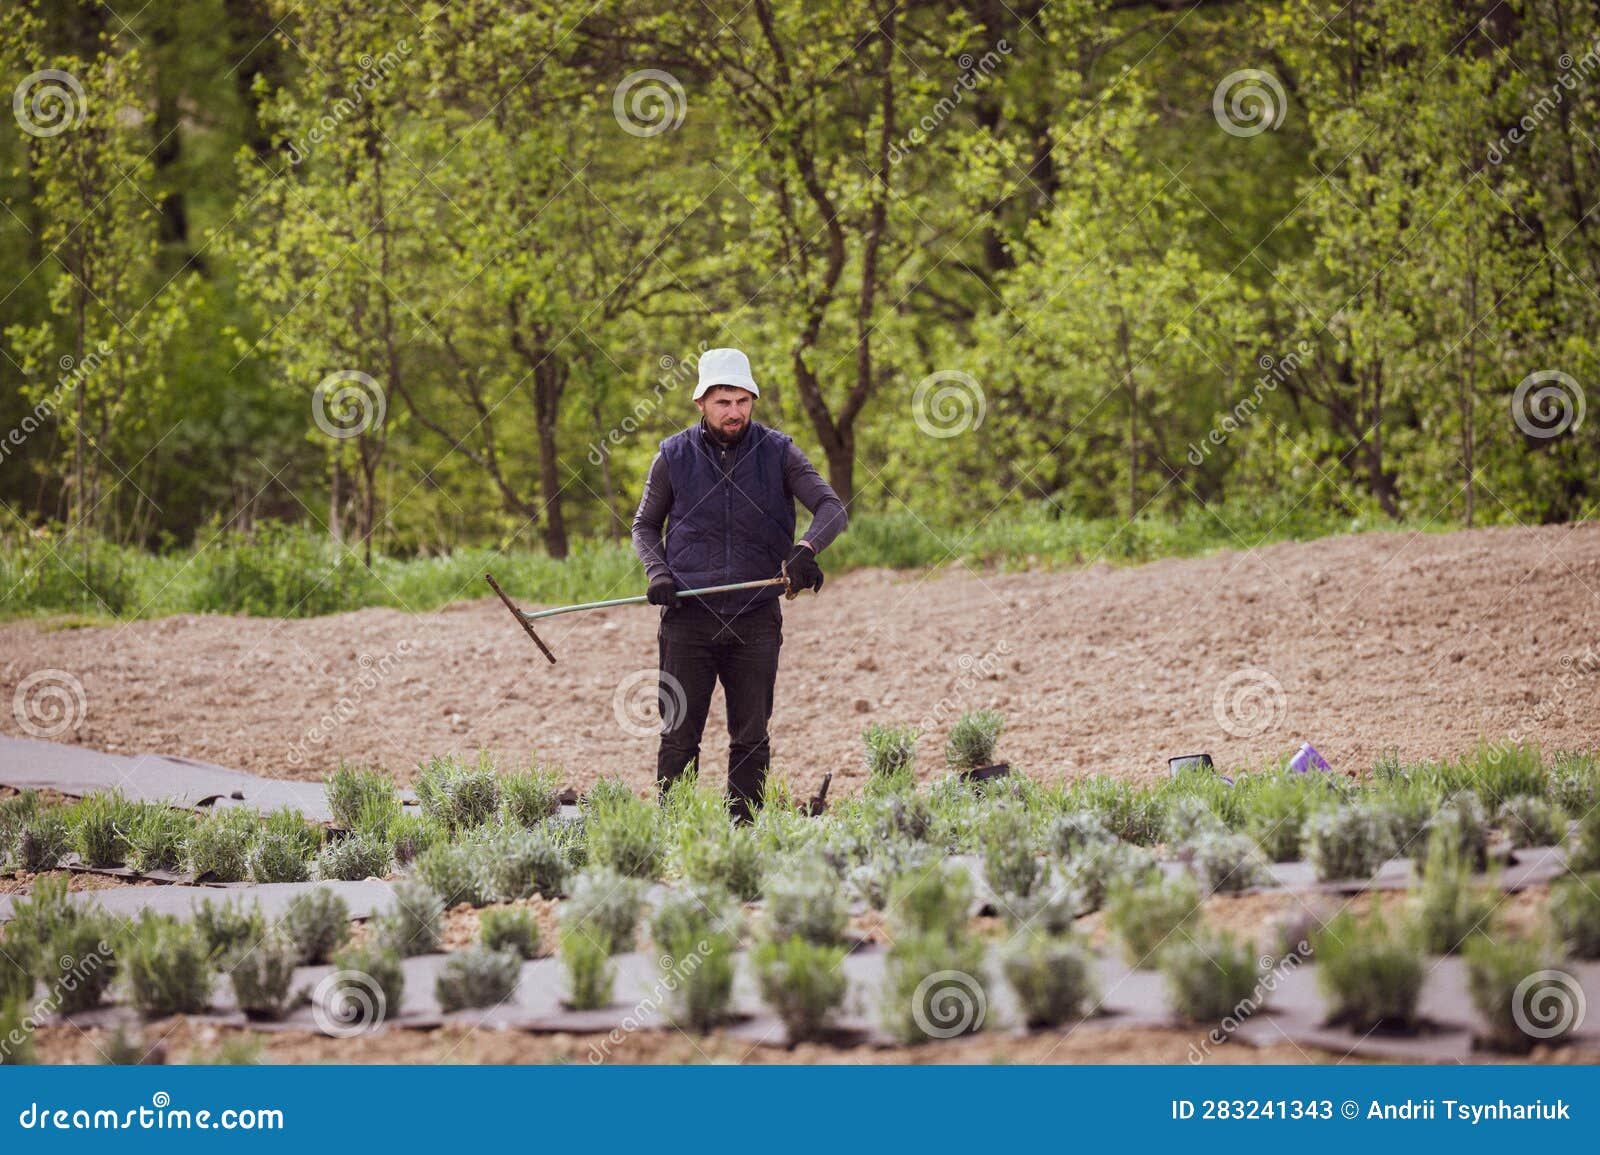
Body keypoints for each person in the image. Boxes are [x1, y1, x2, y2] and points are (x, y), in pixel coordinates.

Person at [631, 347, 848, 821]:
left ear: (753, 400)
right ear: (701, 403)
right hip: (688, 617)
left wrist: (805, 550)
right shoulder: (672, 455)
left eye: (742, 401)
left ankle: (743, 830)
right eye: (723, 401)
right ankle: (677, 828)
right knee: (679, 733)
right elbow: (644, 526)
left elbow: (833, 509)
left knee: (751, 735)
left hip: (756, 617)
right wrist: (659, 573)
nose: (734, 412)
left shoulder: (780, 451)